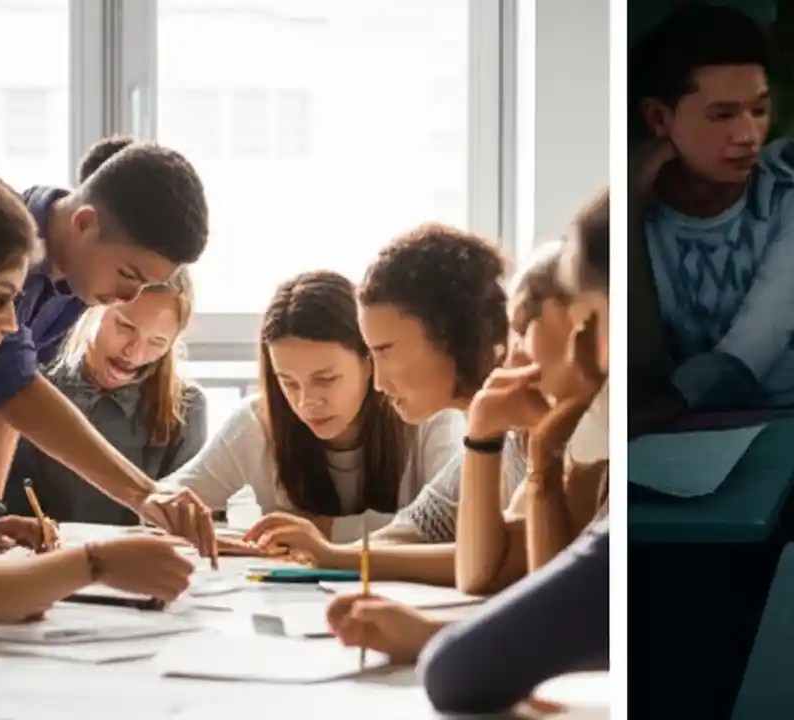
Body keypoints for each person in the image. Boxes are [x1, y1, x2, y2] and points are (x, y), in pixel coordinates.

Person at [326, 190, 611, 715]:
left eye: (526, 328)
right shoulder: (551, 433)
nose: (516, 349)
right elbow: (495, 577)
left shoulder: (596, 443)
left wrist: (334, 556)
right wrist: (499, 441)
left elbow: (508, 586)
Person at [243, 228, 526, 585]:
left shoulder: (538, 433)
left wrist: (333, 554)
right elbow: (416, 529)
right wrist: (318, 554)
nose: (377, 383)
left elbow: (496, 563)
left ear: (452, 334)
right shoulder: (490, 428)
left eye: (385, 351)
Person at [0, 137, 216, 555]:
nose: (129, 295)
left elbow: (7, 399)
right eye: (129, 274)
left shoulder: (76, 284)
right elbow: (16, 387)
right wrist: (144, 494)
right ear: (84, 223)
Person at [629, 4, 794, 438]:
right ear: (658, 118)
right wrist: (628, 209)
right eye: (722, 115)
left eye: (759, 110)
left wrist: (660, 407)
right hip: (664, 438)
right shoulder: (633, 200)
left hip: (791, 425)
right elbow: (637, 362)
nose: (748, 135)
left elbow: (757, 341)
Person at [164, 271, 466, 543]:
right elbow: (165, 502)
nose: (305, 401)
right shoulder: (257, 421)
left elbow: (458, 525)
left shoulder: (430, 416)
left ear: (369, 361)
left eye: (326, 379)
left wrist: (324, 530)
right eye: (288, 382)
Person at [450, 239, 607, 595]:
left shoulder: (607, 432)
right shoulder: (571, 434)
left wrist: (544, 457)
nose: (514, 358)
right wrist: (482, 435)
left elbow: (556, 608)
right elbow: (481, 575)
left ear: (582, 317)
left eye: (522, 327)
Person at [1, 268, 206, 525]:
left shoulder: (187, 408)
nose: (133, 352)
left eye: (157, 341)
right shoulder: (33, 382)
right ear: (93, 309)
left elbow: (178, 518)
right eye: (125, 326)